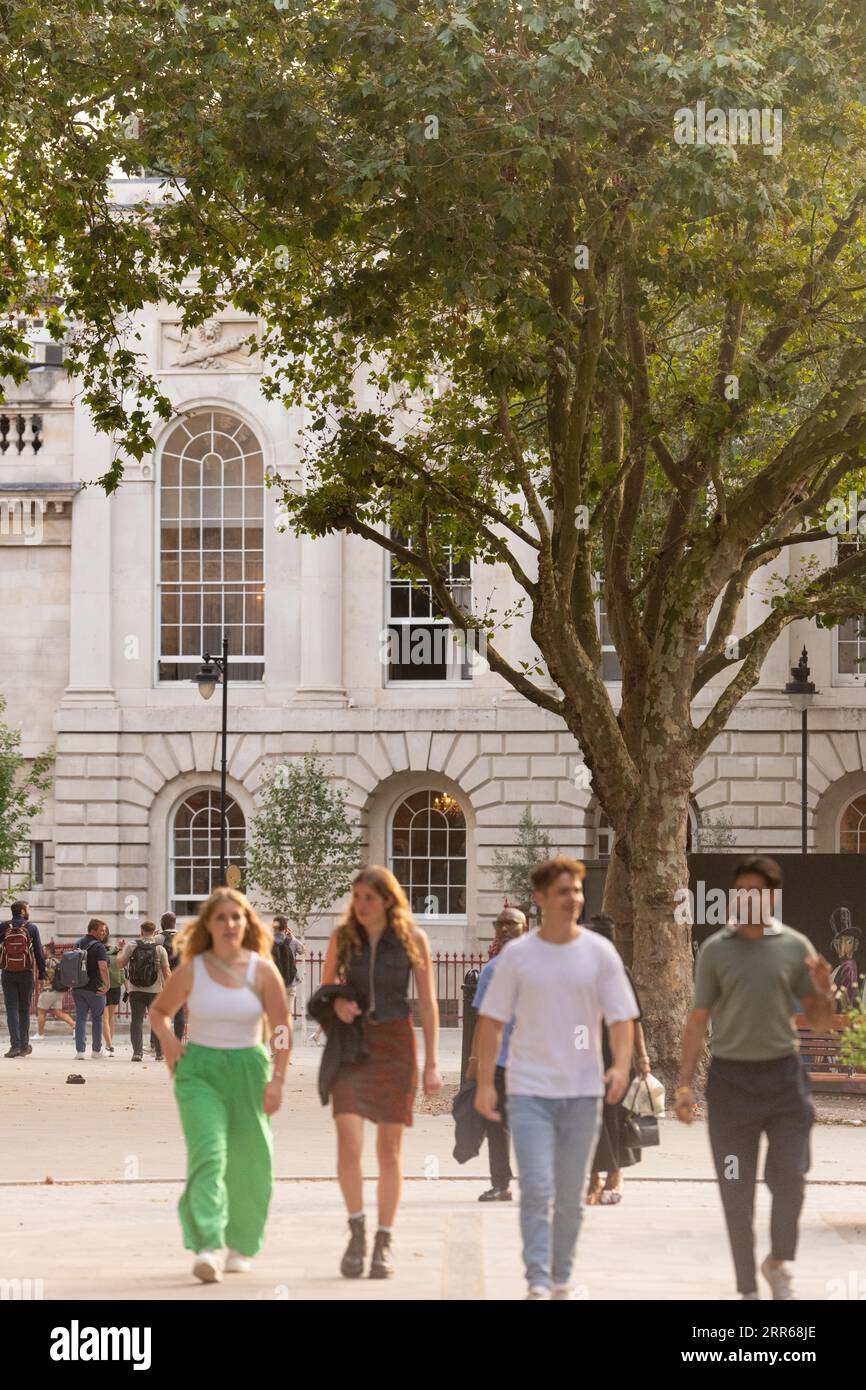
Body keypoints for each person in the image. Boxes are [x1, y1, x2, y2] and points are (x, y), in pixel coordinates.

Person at [474, 856, 637, 1300]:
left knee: (569, 1192)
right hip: (528, 1092)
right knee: (536, 1188)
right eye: (564, 891)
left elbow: (623, 1017)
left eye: (579, 891)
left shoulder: (599, 952)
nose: (574, 899)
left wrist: (621, 1066)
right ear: (542, 899)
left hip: (583, 1094)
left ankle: (561, 1276)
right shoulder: (519, 958)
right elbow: (490, 1022)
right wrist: (486, 1082)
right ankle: (537, 1281)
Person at [676, 855, 836, 1301]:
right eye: (741, 890)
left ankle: (777, 1262)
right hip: (730, 1085)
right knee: (735, 1188)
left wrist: (823, 987)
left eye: (758, 891)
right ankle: (747, 1289)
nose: (748, 898)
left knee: (792, 1175)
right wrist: (685, 1085)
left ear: (771, 897)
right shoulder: (715, 949)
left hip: (784, 1081)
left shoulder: (794, 945)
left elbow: (821, 1022)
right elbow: (697, 1019)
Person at [149, 887, 290, 1284]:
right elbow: (160, 1013)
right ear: (207, 925)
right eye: (221, 918)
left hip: (250, 1069)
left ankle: (241, 1245)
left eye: (236, 917)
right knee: (208, 1154)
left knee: (251, 1161)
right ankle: (207, 1244)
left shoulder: (262, 970)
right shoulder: (193, 969)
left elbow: (281, 1028)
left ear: (246, 924)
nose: (229, 924)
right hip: (200, 1072)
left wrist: (278, 1078)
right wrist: (170, 1042)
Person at [319, 866, 442, 1280]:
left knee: (389, 1151)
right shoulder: (343, 938)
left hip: (395, 1045)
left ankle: (383, 1241)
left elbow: (427, 1003)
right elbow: (325, 990)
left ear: (389, 899)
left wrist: (432, 1063)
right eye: (356, 896)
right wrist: (336, 1006)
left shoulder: (413, 939)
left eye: (369, 897)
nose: (361, 904)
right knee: (348, 1140)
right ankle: (356, 1232)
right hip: (352, 1046)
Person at [585, 913, 652, 1206]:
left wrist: (643, 1058)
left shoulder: (619, 972)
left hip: (615, 1056)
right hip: (585, 1056)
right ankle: (591, 1177)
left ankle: (615, 1173)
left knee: (614, 1118)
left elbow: (633, 1018)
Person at [466, 906, 527, 1202]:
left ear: (524, 928)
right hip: (501, 1061)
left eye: (511, 924)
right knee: (497, 1124)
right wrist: (475, 1060)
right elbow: (484, 1020)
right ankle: (500, 1183)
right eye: (500, 923)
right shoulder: (490, 970)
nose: (504, 929)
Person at [118, 922, 170, 1062]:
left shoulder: (132, 945)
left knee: (136, 1020)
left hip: (135, 990)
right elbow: (166, 972)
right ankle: (159, 1053)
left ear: (141, 931)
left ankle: (137, 1053)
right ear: (155, 933)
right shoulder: (160, 949)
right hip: (156, 991)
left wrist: (121, 950)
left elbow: (120, 964)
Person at [1, 901, 46, 1058]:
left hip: (7, 973)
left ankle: (14, 1046)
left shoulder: (3, 926)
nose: (29, 910)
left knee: (11, 1009)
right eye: (28, 908)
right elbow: (39, 953)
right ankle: (24, 1046)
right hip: (26, 973)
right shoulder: (32, 928)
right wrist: (42, 974)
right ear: (22, 911)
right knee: (24, 1010)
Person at [71, 919, 110, 1059]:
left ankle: (80, 1052)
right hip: (95, 988)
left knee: (80, 1019)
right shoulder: (99, 947)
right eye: (101, 930)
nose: (104, 933)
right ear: (92, 930)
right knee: (97, 1019)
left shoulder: (78, 943)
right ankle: (96, 1051)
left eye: (105, 931)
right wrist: (107, 985)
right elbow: (103, 967)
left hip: (78, 987)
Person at [34, 942, 74, 1039]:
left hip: (49, 991)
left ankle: (40, 1034)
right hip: (59, 991)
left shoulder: (47, 962)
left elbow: (44, 977)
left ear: (47, 950)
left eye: (43, 949)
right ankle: (76, 1026)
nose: (42, 951)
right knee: (58, 1012)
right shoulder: (58, 961)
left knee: (41, 1011)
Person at [159, 912, 186, 1042]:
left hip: (162, 980)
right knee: (179, 1011)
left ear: (163, 923)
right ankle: (178, 1041)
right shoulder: (184, 937)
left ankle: (159, 1043)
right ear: (174, 922)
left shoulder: (160, 938)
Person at [102, 932, 127, 1054]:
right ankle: (109, 1045)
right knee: (110, 1018)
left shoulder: (99, 951)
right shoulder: (116, 951)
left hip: (103, 986)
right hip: (116, 986)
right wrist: (127, 988)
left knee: (105, 1018)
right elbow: (123, 970)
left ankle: (109, 1046)